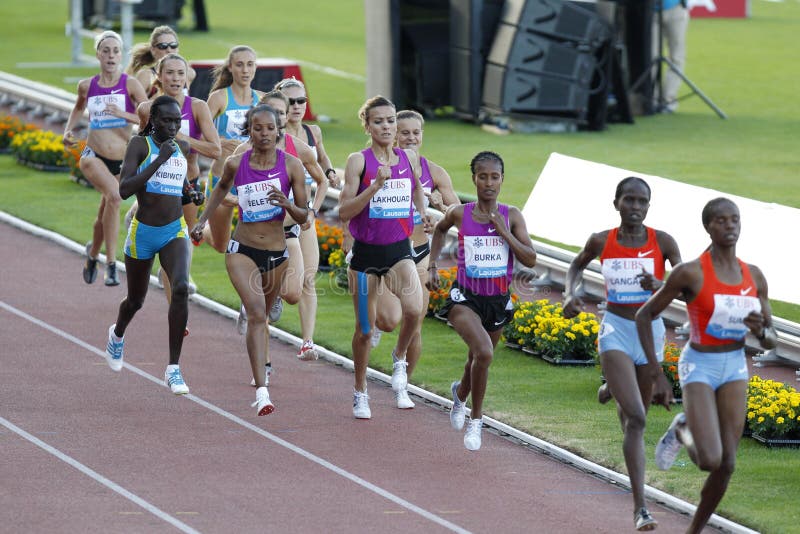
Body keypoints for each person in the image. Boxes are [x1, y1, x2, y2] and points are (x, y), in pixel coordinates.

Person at [636, 198, 776, 534]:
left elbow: (771, 340)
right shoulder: (691, 272)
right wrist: (657, 375)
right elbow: (645, 315)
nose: (730, 226)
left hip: (734, 365)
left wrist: (761, 331)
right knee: (709, 460)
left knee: (727, 464)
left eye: (735, 220)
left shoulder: (753, 275)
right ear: (708, 226)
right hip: (699, 363)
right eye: (722, 221)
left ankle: (694, 530)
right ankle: (683, 429)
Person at [563, 177, 681, 531]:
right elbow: (575, 267)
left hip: (651, 334)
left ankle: (613, 387)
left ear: (648, 205)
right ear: (616, 203)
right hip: (615, 329)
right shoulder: (602, 240)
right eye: (628, 200)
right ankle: (640, 508)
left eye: (642, 201)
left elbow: (690, 285)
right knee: (637, 422)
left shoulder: (663, 242)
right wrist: (571, 293)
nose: (635, 207)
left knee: (635, 415)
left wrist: (661, 287)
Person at [190, 104, 308, 415]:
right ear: (250, 131)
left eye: (270, 128)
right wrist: (202, 221)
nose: (264, 133)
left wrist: (286, 204)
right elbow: (219, 191)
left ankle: (260, 361)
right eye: (258, 128)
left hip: (277, 252)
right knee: (257, 313)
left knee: (263, 317)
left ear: (278, 131)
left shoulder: (292, 166)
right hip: (241, 248)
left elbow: (304, 214)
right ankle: (262, 391)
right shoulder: (235, 163)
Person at [427, 151, 537, 450]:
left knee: (476, 358)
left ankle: (460, 394)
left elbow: (530, 258)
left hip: (497, 301)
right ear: (474, 178)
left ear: (502, 179)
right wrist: (433, 265)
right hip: (465, 298)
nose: (489, 182)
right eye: (483, 176)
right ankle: (477, 421)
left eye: (495, 176)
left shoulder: (512, 215)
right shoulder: (460, 213)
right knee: (484, 353)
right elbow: (439, 229)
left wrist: (504, 234)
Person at [338, 95, 430, 420]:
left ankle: (399, 358)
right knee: (365, 330)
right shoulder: (358, 161)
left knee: (415, 309)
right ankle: (360, 392)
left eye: (391, 120)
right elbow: (344, 211)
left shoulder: (407, 157)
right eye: (379, 121)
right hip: (365, 257)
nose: (387, 127)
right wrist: (374, 187)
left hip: (399, 251)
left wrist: (422, 212)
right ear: (367, 125)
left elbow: (417, 187)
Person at [105, 95, 203, 395]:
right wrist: (158, 160)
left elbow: (180, 190)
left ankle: (173, 368)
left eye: (177, 121)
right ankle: (118, 333)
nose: (173, 126)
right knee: (135, 301)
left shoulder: (183, 148)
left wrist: (193, 196)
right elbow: (124, 189)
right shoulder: (140, 145)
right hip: (143, 233)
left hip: (174, 230)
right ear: (152, 121)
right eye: (166, 120)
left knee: (182, 288)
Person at [232, 90, 328, 382]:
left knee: (292, 293)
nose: (275, 120)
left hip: (289, 230)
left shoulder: (298, 150)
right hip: (255, 236)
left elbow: (321, 179)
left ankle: (269, 307)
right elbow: (224, 193)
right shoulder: (243, 153)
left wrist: (310, 211)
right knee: (261, 309)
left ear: (283, 119)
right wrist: (246, 204)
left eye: (281, 114)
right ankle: (265, 364)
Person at [369, 109, 460, 409]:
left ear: (422, 135)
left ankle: (403, 385)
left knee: (415, 321)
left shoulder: (435, 172)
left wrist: (440, 208)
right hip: (384, 252)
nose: (409, 137)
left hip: (418, 253)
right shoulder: (379, 165)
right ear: (393, 134)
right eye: (403, 132)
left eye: (415, 133)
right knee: (388, 318)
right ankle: (377, 326)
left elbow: (458, 214)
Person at [63, 30, 147, 286]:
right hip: (93, 155)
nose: (111, 55)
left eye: (116, 51)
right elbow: (78, 108)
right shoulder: (87, 86)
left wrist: (124, 114)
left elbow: (148, 116)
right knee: (114, 196)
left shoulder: (130, 84)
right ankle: (111, 264)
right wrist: (68, 129)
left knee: (105, 212)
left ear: (121, 55)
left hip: (122, 160)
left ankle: (92, 254)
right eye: (106, 50)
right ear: (98, 54)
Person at [137, 54, 221, 302]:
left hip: (188, 183)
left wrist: (184, 142)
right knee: (164, 245)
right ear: (159, 77)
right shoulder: (146, 109)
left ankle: (178, 294)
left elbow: (215, 149)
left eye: (180, 73)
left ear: (187, 77)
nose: (175, 78)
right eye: (170, 73)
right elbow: (140, 148)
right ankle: (174, 302)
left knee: (180, 240)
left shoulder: (197, 107)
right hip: (158, 185)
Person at [268, 77, 340, 344]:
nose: (298, 106)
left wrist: (329, 173)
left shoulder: (312, 133)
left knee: (308, 279)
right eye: (291, 102)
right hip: (273, 215)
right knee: (286, 286)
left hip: (303, 211)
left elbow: (321, 157)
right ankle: (269, 295)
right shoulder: (270, 136)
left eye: (302, 101)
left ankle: (307, 342)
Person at [202, 45, 264, 252]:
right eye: (240, 65)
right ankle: (200, 232)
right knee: (221, 245)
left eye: (250, 64)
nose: (245, 70)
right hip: (222, 180)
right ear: (230, 68)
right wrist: (219, 142)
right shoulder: (219, 98)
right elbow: (200, 136)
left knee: (257, 240)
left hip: (252, 180)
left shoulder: (263, 100)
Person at [126, 25, 196, 98]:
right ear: (153, 50)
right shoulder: (146, 76)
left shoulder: (189, 73)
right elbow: (134, 108)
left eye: (173, 45)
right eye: (163, 46)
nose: (169, 50)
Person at [652, 0, 688, 113]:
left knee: (676, 57)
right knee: (651, 58)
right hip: (649, 10)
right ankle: (652, 99)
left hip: (676, 8)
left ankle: (669, 100)